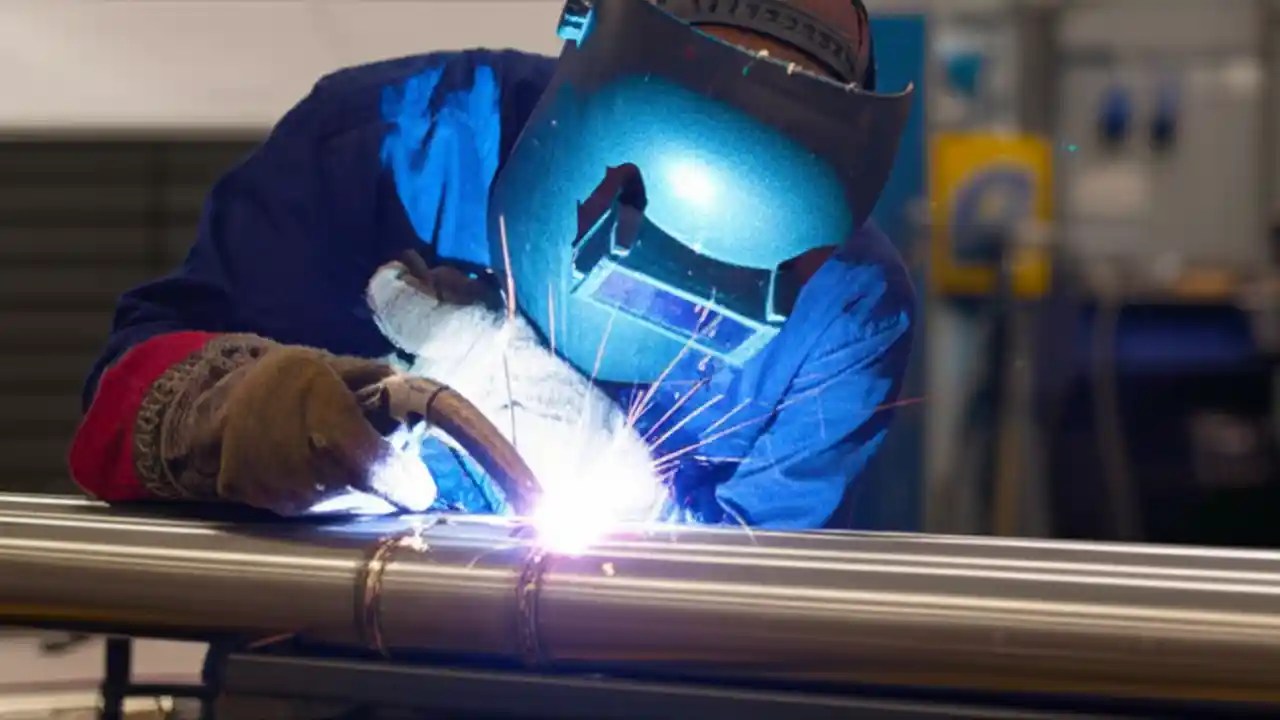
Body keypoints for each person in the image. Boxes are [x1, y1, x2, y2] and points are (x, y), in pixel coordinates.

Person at [68, 0, 916, 531]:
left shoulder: (844, 309)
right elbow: (114, 413)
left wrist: (632, 497)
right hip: (327, 676)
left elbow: (750, 610)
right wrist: (236, 409)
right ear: (591, 46)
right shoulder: (390, 148)